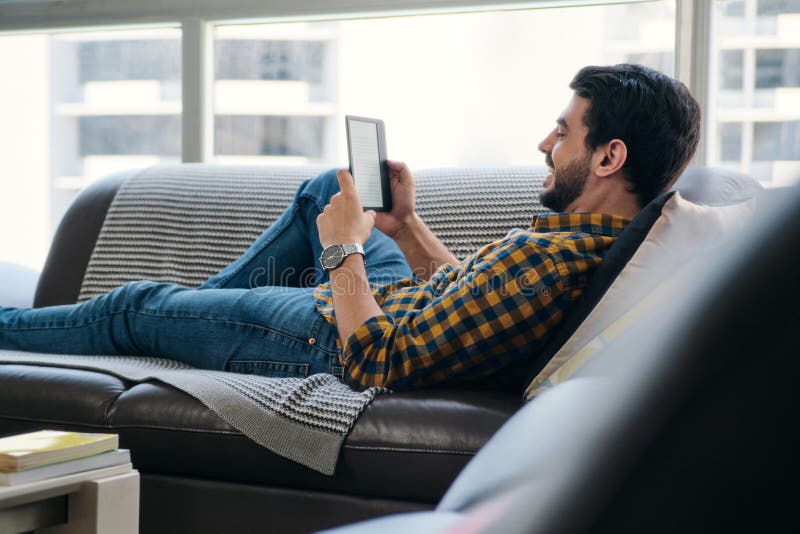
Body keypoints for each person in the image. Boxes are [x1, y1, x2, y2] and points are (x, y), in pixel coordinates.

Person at [0, 64, 701, 392]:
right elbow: (470, 303)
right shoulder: (581, 248)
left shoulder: (555, 266)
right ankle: (187, 323)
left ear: (610, 156)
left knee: (133, 306)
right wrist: (406, 228)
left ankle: (157, 321)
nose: (544, 146)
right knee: (323, 190)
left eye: (563, 132)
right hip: (388, 307)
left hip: (334, 337)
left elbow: (377, 364)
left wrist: (345, 250)